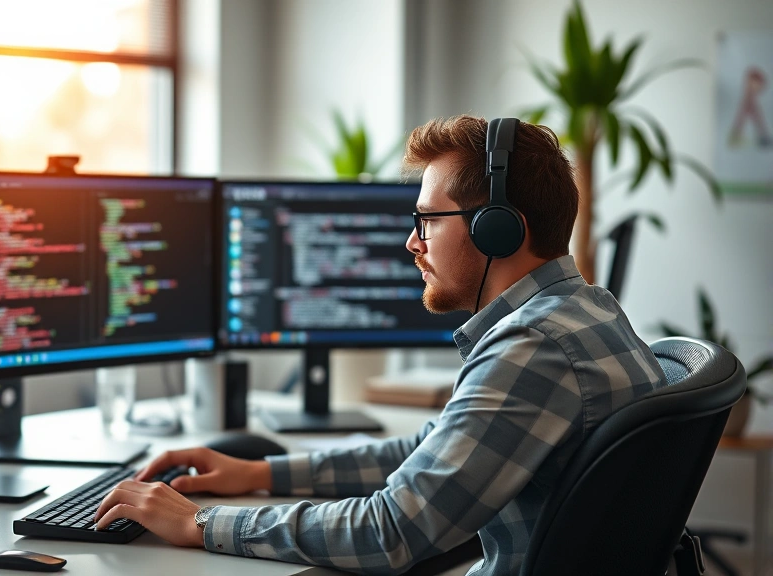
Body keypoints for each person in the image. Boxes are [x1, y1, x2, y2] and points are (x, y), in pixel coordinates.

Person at [93, 115, 667, 575]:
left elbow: (391, 532)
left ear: (498, 228)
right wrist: (258, 472)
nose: (412, 242)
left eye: (427, 220)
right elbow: (429, 450)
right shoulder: (587, 312)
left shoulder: (534, 346)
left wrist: (201, 524)